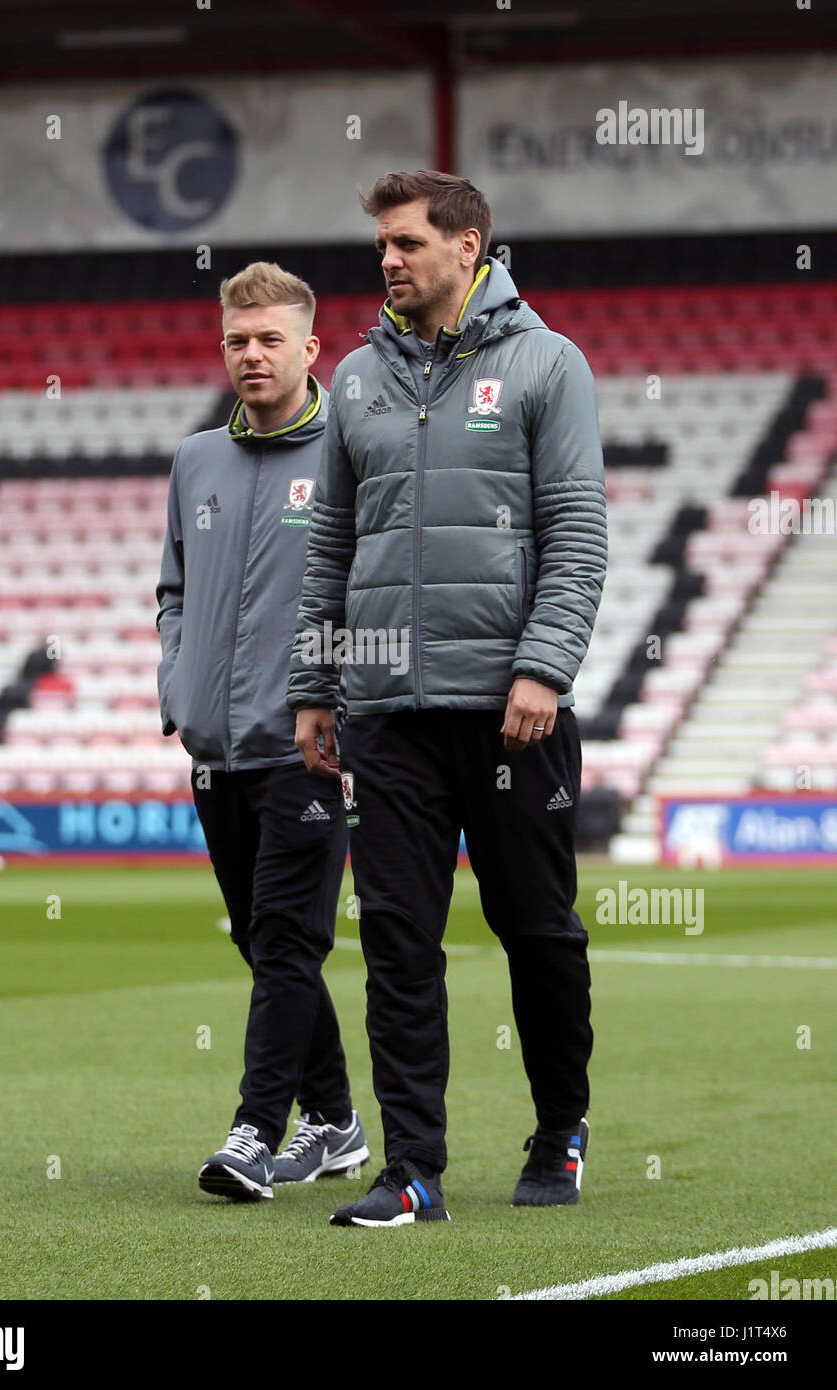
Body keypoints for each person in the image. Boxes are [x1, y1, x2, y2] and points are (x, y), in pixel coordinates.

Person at [287, 171, 607, 1227]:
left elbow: (575, 531)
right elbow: (330, 542)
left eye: (408, 241)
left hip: (511, 709)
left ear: (469, 246)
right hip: (385, 713)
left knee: (537, 929)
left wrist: (542, 668)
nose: (388, 258)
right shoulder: (358, 381)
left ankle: (560, 1126)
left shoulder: (546, 364)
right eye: (380, 242)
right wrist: (315, 684)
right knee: (395, 938)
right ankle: (411, 1169)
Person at [156, 262, 368, 1202]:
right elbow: (174, 592)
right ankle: (337, 1124)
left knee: (288, 941)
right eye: (237, 339)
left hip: (303, 749)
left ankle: (255, 1130)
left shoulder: (351, 456)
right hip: (215, 748)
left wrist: (343, 708)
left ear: (309, 348)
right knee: (258, 937)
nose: (251, 355)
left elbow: (370, 596)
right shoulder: (195, 459)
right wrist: (179, 682)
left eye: (269, 339)